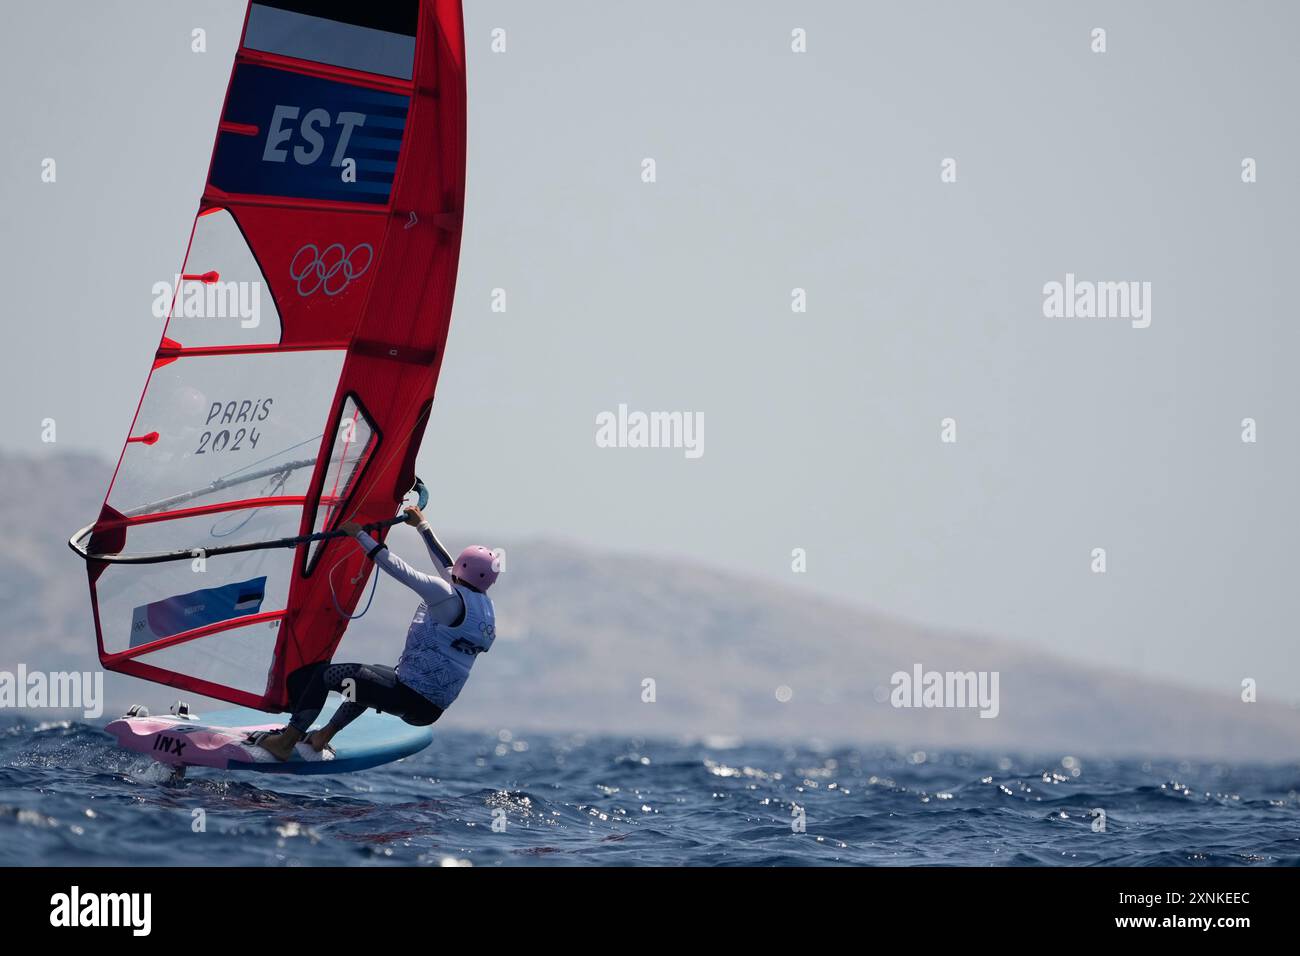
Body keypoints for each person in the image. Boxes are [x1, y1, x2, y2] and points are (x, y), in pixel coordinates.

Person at [253, 506, 498, 761]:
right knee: (371, 678)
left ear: (462, 567)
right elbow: (447, 564)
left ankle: (286, 741)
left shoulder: (446, 594)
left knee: (324, 676)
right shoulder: (482, 609)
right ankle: (323, 735)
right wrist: (422, 526)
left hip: (407, 696)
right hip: (428, 709)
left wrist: (359, 535)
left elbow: (401, 570)